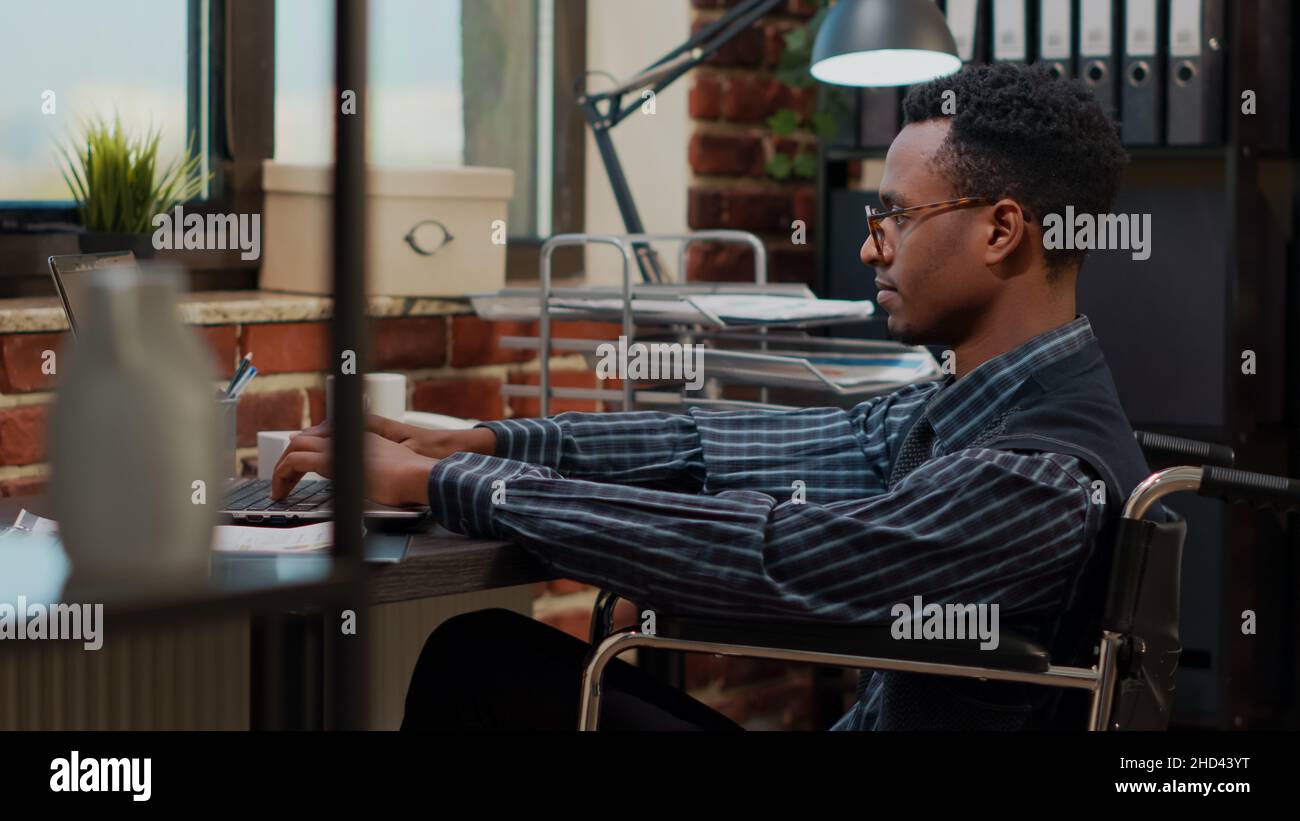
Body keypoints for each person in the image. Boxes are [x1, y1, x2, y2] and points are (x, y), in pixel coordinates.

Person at [272, 62, 1149, 730]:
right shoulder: (969, 403)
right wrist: (492, 447)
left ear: (1001, 229)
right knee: (489, 658)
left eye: (898, 217)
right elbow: (714, 449)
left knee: (483, 667)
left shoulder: (1033, 477)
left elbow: (770, 557)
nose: (871, 249)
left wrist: (441, 489)